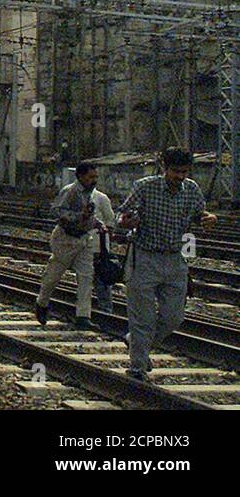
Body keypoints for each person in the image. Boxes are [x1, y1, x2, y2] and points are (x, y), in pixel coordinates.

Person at [118, 147, 217, 380]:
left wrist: (210, 218)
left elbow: (200, 214)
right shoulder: (145, 186)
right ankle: (138, 368)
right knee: (142, 318)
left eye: (184, 171)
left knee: (173, 317)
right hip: (144, 257)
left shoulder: (191, 189)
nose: (180, 176)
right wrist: (127, 221)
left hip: (175, 259)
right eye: (175, 171)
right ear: (164, 168)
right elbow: (121, 216)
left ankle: (135, 342)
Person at [35, 162, 116, 330]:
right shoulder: (70, 191)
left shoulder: (91, 194)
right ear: (80, 176)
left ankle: (83, 316)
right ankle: (42, 303)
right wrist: (79, 216)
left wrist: (98, 224)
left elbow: (89, 215)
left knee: (86, 277)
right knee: (53, 276)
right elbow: (57, 212)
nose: (94, 180)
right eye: (91, 177)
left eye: (95, 177)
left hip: (84, 239)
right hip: (66, 239)